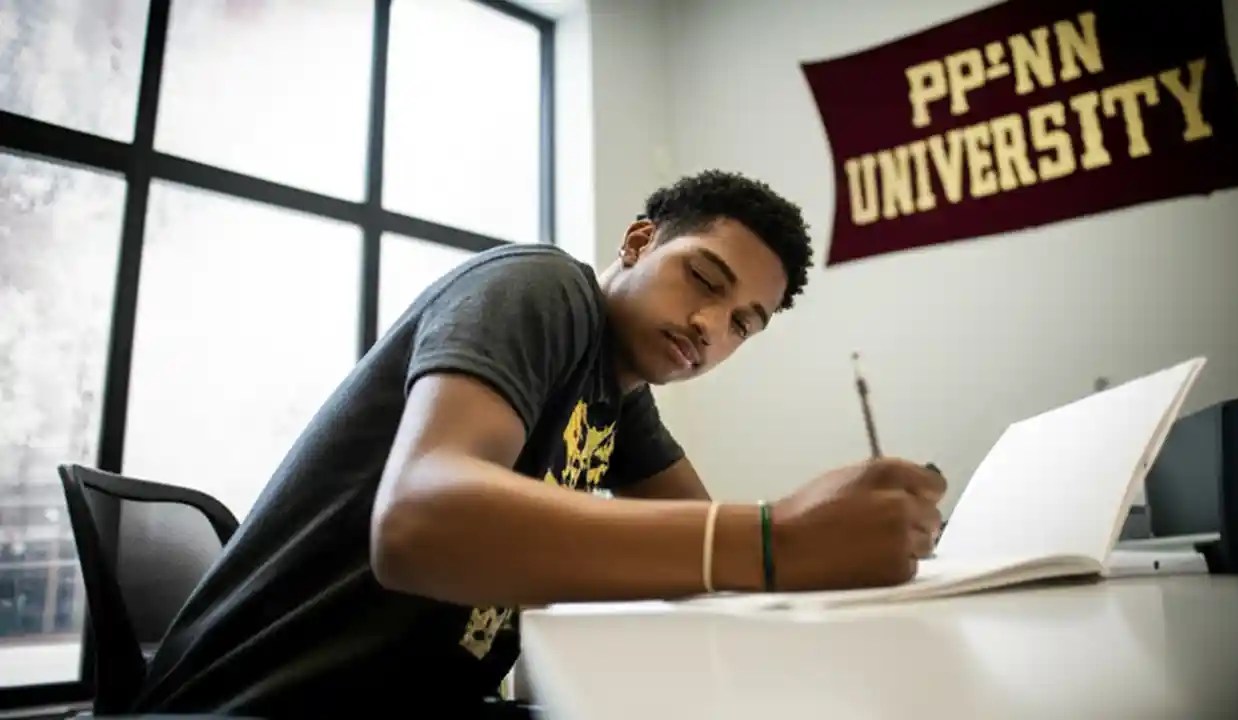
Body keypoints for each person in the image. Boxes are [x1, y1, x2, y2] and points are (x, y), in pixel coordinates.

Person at [131, 170, 945, 717]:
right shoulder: (540, 288)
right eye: (702, 279)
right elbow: (417, 524)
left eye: (743, 325)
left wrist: (842, 547)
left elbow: (714, 563)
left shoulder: (621, 397)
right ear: (636, 243)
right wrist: (780, 538)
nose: (710, 327)